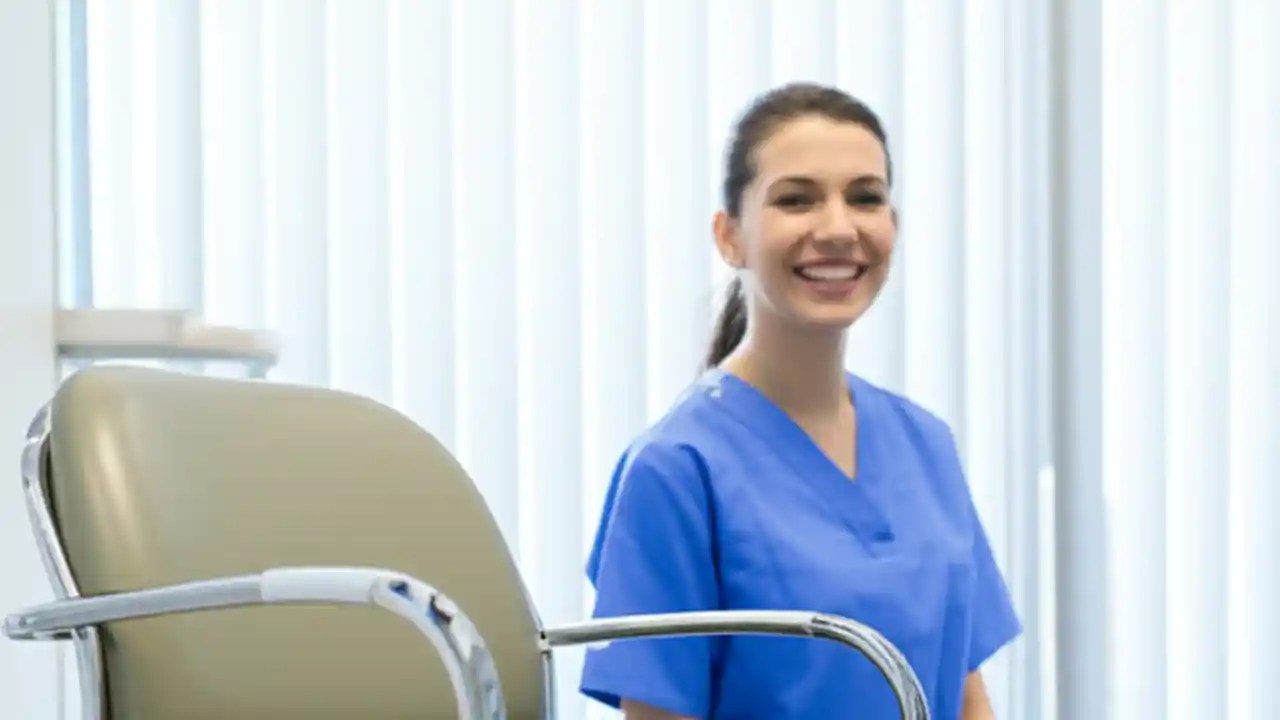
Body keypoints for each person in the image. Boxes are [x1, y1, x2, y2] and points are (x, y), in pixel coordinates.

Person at [577, 82, 1022, 719]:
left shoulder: (926, 444)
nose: (838, 228)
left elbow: (965, 694)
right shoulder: (676, 470)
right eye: (796, 199)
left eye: (865, 197)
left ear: (891, 225)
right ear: (730, 236)